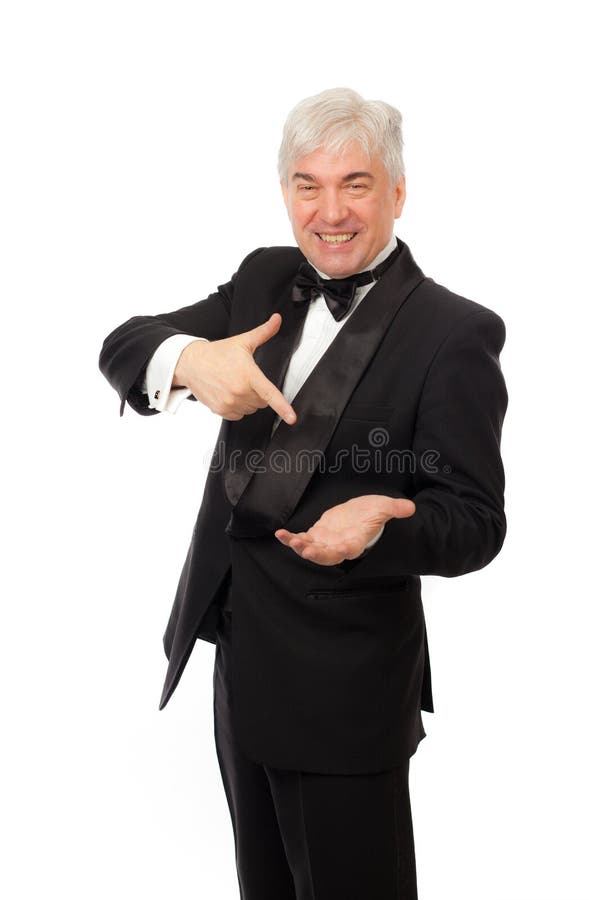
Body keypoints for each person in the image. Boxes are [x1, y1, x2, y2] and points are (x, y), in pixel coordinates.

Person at [99, 87, 508, 899]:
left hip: (345, 687)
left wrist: (387, 524)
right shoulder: (264, 281)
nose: (330, 212)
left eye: (355, 184)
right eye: (307, 184)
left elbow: (476, 521)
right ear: (285, 190)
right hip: (239, 659)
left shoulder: (455, 332)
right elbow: (125, 343)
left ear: (397, 191)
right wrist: (188, 359)